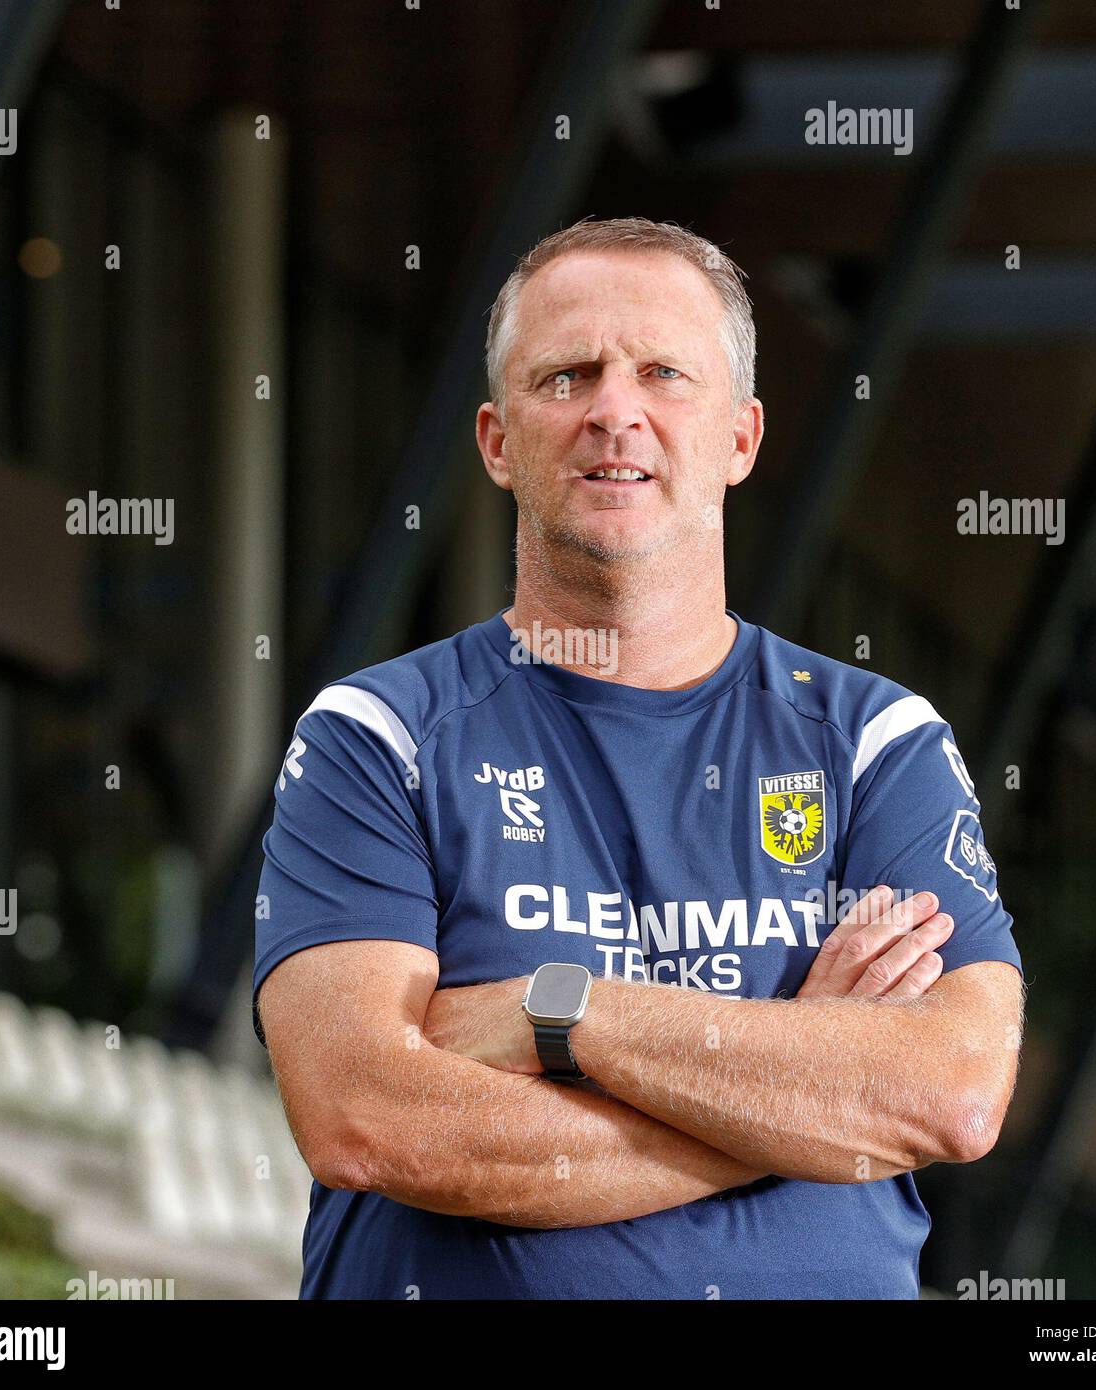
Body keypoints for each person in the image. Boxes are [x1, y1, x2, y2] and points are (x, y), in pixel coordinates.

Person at [254, 217, 1025, 1300]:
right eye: (566, 376)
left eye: (664, 372)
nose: (615, 410)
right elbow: (369, 1122)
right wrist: (799, 1087)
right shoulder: (379, 737)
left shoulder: (870, 743)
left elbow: (948, 1095)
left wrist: (557, 1012)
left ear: (742, 440)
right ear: (495, 441)